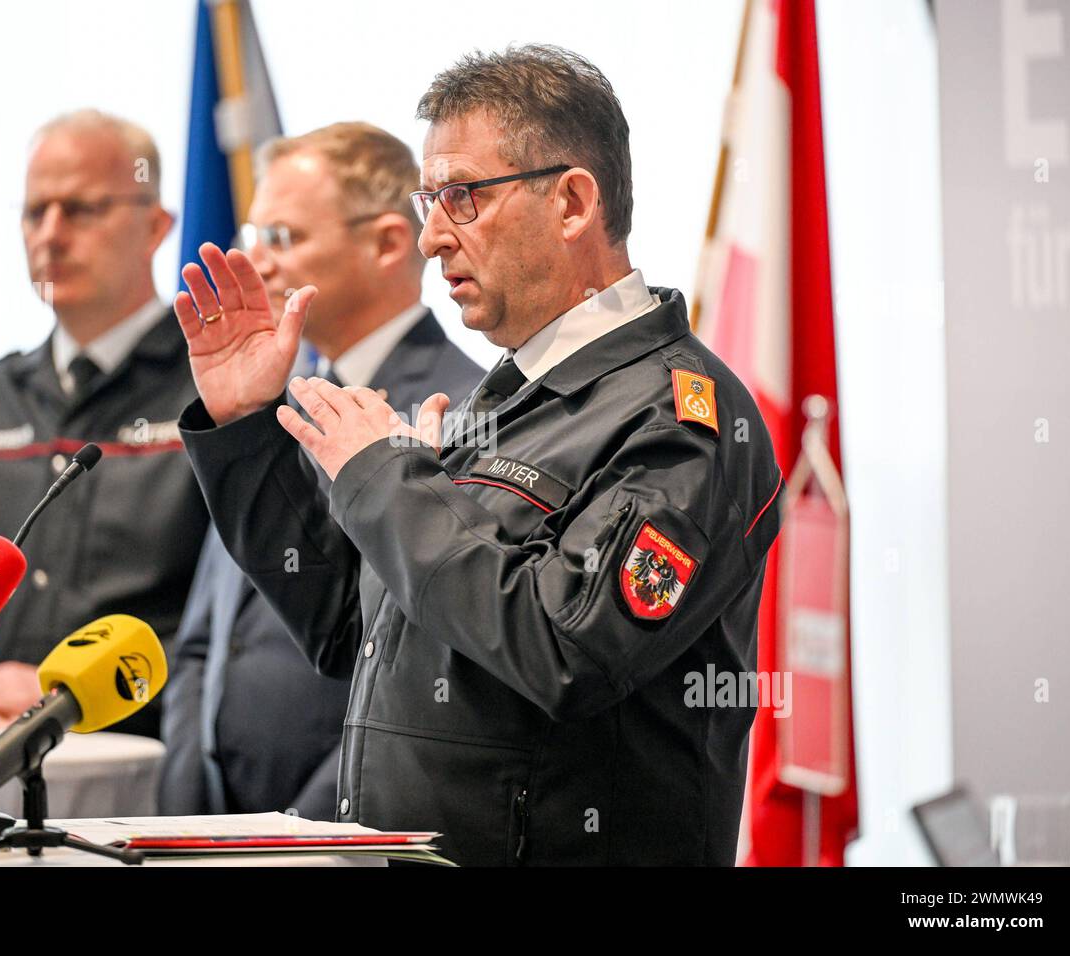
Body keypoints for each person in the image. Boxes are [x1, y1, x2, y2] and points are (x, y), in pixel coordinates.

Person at [174, 46, 784, 864]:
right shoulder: (499, 401)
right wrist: (248, 427)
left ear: (571, 202)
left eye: (460, 197)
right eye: (430, 200)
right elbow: (354, 632)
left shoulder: (682, 419)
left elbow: (565, 650)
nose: (431, 237)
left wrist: (387, 480)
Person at [158, 123, 482, 817]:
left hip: (340, 829)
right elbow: (206, 635)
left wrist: (309, 830)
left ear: (390, 242)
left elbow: (418, 658)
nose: (256, 261)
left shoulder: (460, 408)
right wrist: (187, 789)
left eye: (284, 237)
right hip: (209, 817)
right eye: (254, 233)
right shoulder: (262, 399)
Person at [0, 110, 208, 736]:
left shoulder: (215, 399)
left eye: (82, 209)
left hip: (153, 775)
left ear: (156, 226)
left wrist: (57, 694)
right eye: (34, 211)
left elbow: (247, 627)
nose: (51, 234)